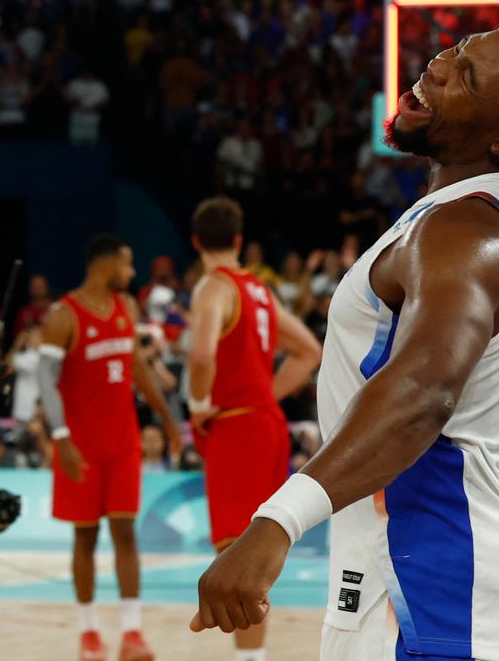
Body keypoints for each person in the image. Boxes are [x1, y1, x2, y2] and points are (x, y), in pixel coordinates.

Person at [191, 0, 499, 660]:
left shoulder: (462, 232)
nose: (437, 67)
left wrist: (277, 522)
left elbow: (424, 393)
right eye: (455, 51)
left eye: (469, 77)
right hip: (496, 585)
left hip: (439, 584)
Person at [184, 196, 322, 661]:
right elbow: (308, 352)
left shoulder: (212, 288)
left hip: (237, 427)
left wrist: (200, 404)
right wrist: (265, 393)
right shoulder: (260, 291)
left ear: (196, 241)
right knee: (255, 554)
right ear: (239, 241)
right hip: (266, 423)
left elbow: (202, 356)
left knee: (237, 556)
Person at [38, 234, 182, 661]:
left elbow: (138, 369)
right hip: (79, 446)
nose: (132, 272)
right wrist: (60, 438)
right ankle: (88, 633)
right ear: (106, 265)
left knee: (125, 536)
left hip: (123, 444)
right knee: (85, 537)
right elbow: (46, 382)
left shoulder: (127, 308)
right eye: (127, 264)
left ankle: (132, 633)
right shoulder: (64, 315)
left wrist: (169, 422)